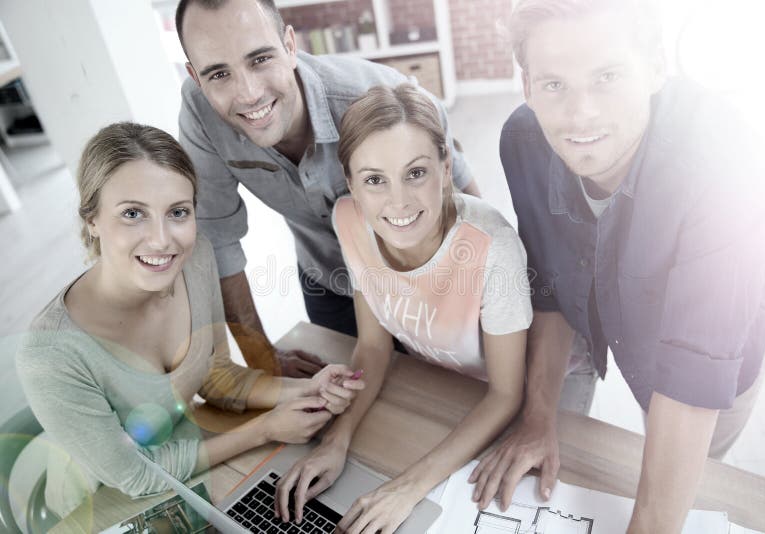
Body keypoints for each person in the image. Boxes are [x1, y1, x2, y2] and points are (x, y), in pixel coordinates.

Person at [468, 1, 765, 532]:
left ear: (656, 67)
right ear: (526, 86)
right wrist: (537, 416)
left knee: (695, 485)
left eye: (607, 76)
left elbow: (695, 370)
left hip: (723, 352)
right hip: (621, 311)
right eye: (554, 84)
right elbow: (548, 287)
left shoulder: (727, 162)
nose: (581, 114)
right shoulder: (522, 141)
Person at [15, 122, 364, 519]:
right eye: (133, 214)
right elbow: (133, 477)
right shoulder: (49, 353)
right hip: (111, 509)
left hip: (193, 470)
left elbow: (214, 375)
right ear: (92, 219)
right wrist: (265, 429)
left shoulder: (196, 257)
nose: (163, 240)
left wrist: (303, 390)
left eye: (178, 212)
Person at [270, 84, 531, 533]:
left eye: (416, 173)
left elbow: (507, 393)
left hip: (520, 389)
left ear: (446, 168)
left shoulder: (493, 247)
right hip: (441, 384)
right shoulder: (349, 220)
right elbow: (373, 347)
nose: (398, 202)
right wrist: (337, 440)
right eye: (374, 180)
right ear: (351, 183)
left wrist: (407, 488)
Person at [175, 0, 479, 378]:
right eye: (219, 74)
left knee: (443, 394)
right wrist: (261, 356)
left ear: (290, 46)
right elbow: (217, 240)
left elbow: (463, 196)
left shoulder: (373, 96)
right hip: (326, 279)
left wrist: (481, 296)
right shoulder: (200, 116)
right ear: (195, 76)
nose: (249, 94)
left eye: (259, 59)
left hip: (419, 281)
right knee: (359, 402)